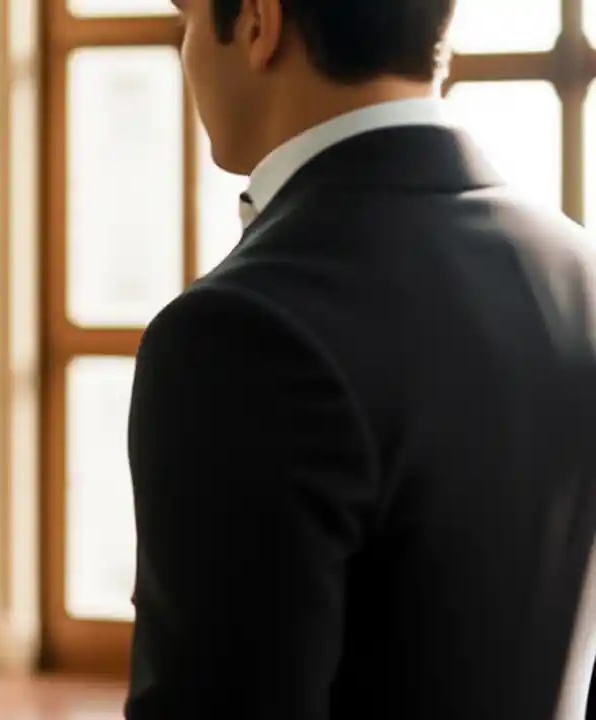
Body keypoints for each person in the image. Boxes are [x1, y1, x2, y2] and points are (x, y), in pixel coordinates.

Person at [126, 0, 596, 717]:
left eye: (186, 19)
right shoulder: (579, 272)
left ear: (258, 23)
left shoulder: (235, 331)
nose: (186, 53)